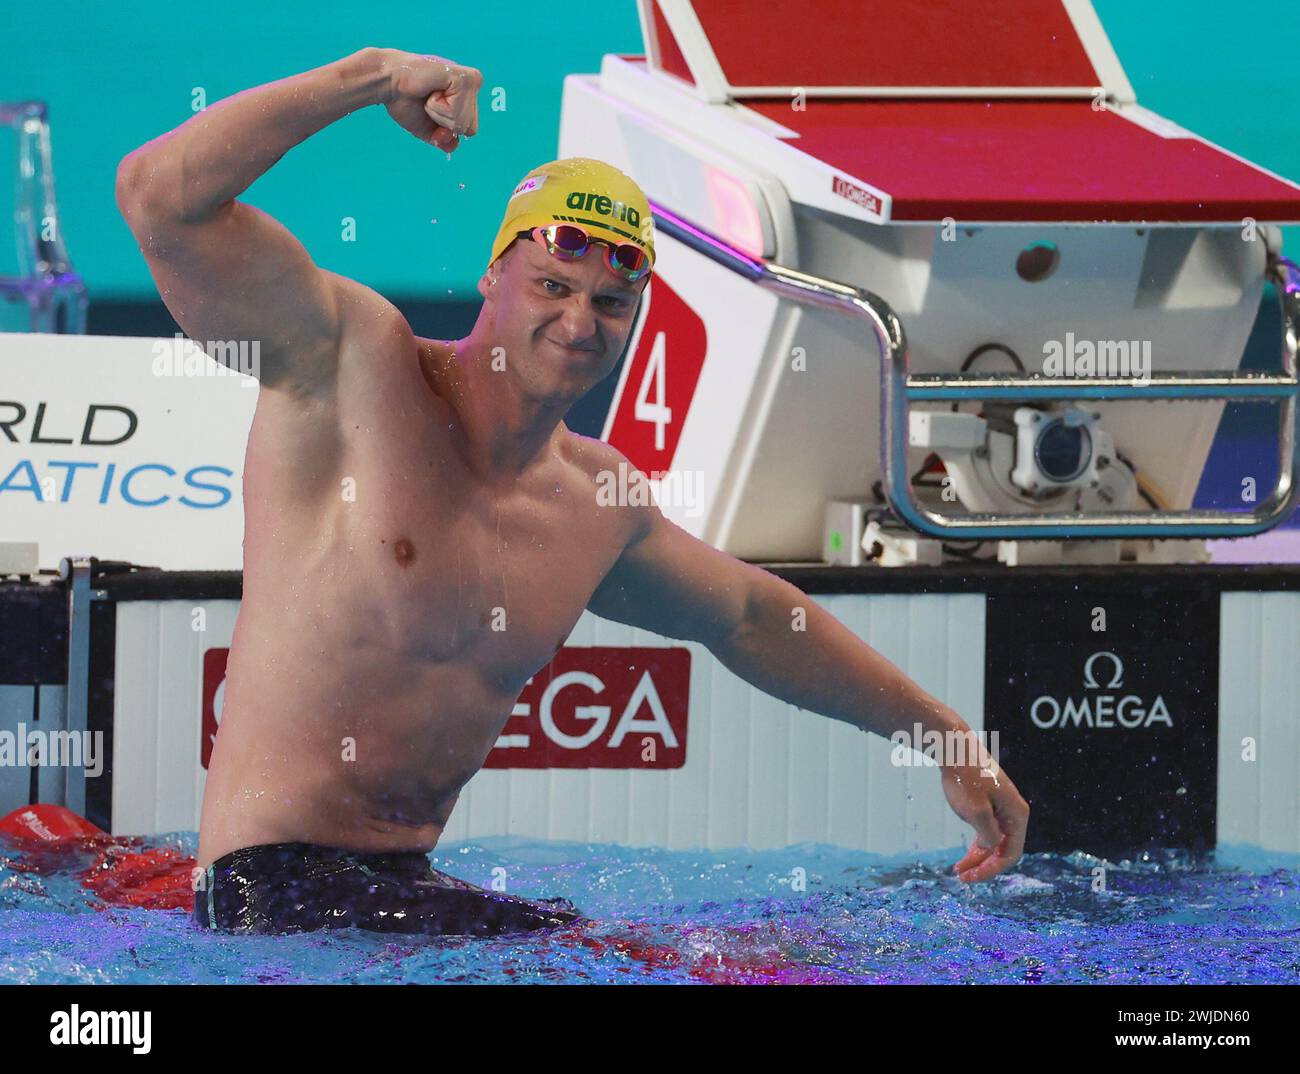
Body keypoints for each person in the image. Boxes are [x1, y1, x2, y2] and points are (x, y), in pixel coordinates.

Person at [115, 46, 1028, 937]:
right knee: (641, 965)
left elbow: (752, 617)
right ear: (492, 276)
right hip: (267, 893)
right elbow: (157, 197)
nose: (577, 322)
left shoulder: (594, 503)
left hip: (404, 897)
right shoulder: (349, 365)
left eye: (609, 303)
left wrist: (945, 734)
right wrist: (366, 78)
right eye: (553, 284)